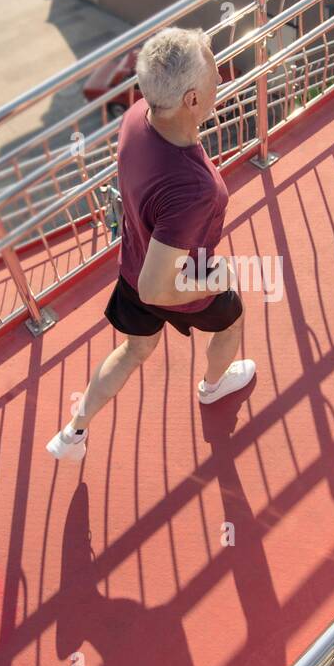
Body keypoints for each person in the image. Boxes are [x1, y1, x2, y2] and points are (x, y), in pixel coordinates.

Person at [46, 28, 256, 461]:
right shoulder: (197, 189)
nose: (222, 82)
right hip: (179, 282)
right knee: (232, 318)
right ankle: (212, 387)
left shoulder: (137, 115)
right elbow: (157, 289)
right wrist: (217, 280)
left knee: (133, 350)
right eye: (215, 77)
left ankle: (73, 433)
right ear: (192, 100)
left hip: (133, 263)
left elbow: (146, 283)